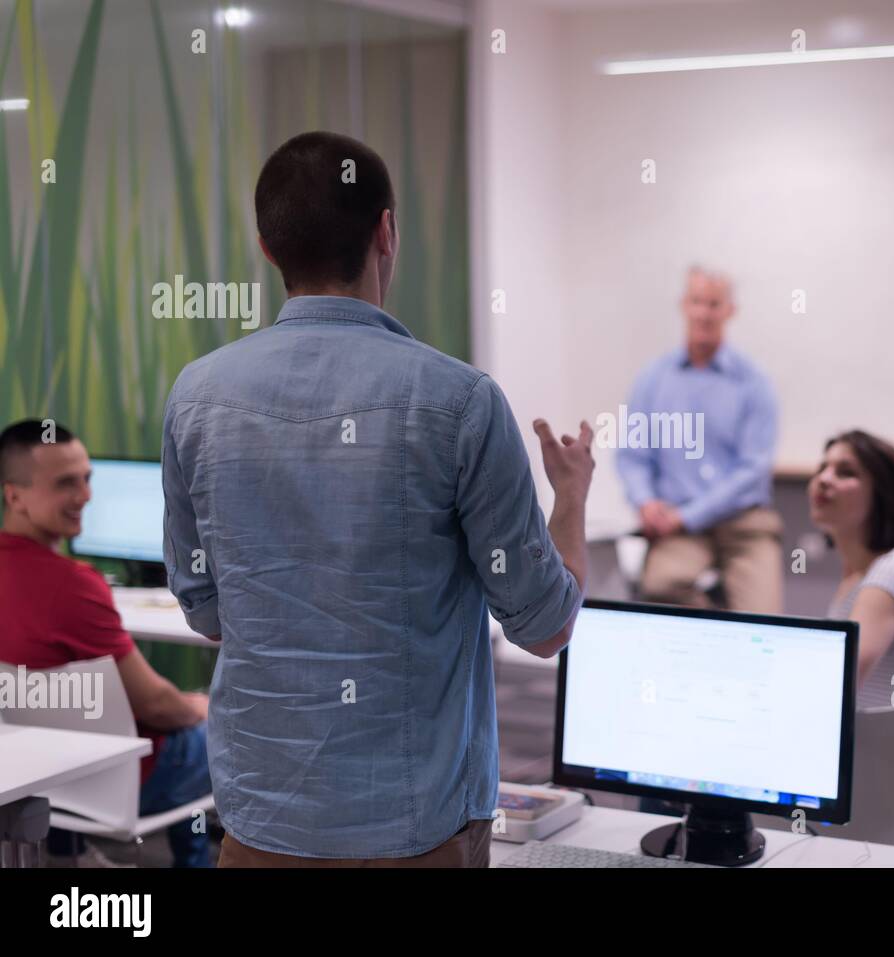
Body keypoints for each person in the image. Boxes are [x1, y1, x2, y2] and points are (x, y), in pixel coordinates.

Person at [161, 131, 592, 866]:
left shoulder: (196, 396)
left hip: (258, 823)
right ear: (387, 230)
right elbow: (546, 628)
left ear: (267, 249)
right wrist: (572, 500)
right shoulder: (461, 402)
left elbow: (207, 613)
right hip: (415, 832)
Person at [0, 419, 212, 867]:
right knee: (222, 725)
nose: (86, 496)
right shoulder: (74, 585)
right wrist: (200, 706)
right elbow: (157, 707)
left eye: (87, 479)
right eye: (65, 484)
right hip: (116, 781)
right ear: (13, 495)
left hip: (32, 777)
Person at [616, 266, 783, 614]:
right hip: (678, 530)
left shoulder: (753, 383)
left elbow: (752, 470)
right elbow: (632, 455)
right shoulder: (653, 379)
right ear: (683, 305)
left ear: (730, 311)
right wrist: (646, 502)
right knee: (660, 586)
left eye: (714, 303)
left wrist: (689, 515)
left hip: (744, 527)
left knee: (766, 618)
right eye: (697, 302)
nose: (704, 312)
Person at [810, 430, 894, 716]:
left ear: (883, 494)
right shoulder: (857, 576)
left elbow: (833, 683)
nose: (824, 479)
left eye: (845, 472)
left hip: (885, 761)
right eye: (822, 468)